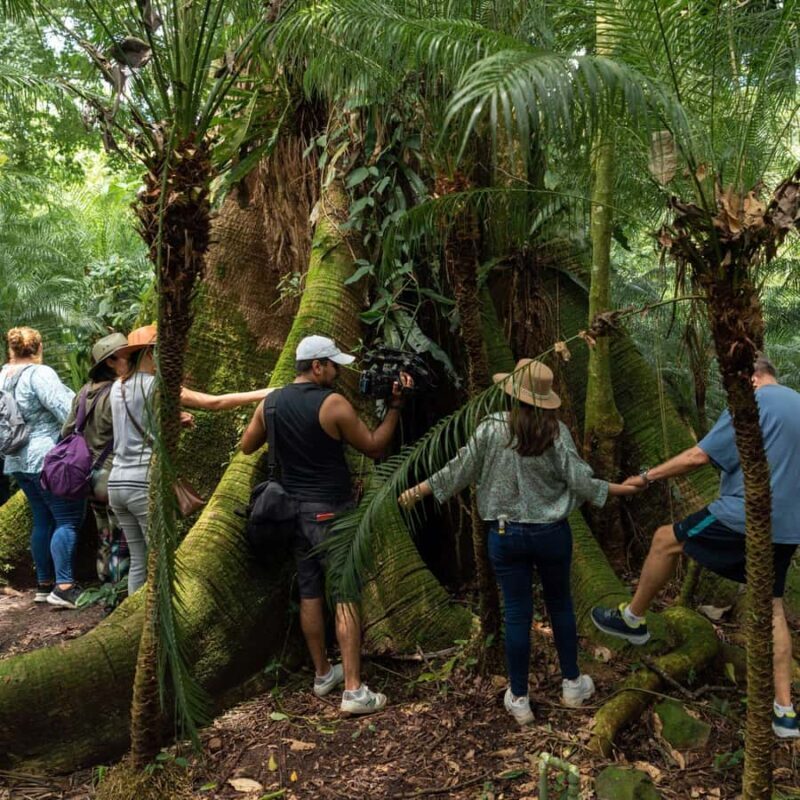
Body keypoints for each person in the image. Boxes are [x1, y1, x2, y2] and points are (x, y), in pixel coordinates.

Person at [398, 359, 638, 726]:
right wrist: (622, 487)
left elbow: (459, 469)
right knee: (560, 606)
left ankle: (520, 698)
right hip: (552, 534)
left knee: (516, 615)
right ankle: (573, 684)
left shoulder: (492, 427)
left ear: (512, 393)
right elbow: (582, 481)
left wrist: (417, 491)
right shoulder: (555, 432)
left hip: (506, 536)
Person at [591, 355, 800, 739]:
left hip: (742, 516)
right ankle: (784, 712)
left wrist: (646, 476)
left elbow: (698, 456)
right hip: (787, 529)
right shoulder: (797, 404)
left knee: (664, 539)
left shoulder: (750, 404)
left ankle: (632, 619)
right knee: (772, 608)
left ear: (750, 379)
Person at [240, 334, 412, 715]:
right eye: (334, 365)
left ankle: (323, 673)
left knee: (310, 592)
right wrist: (396, 407)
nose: (337, 373)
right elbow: (373, 446)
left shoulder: (270, 403)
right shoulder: (332, 404)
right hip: (331, 513)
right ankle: (353, 689)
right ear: (317, 366)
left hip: (292, 514)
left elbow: (247, 446)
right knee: (345, 591)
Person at [108, 325, 269, 595]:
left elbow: (139, 422)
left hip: (117, 483)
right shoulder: (158, 385)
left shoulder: (117, 387)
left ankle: (134, 622)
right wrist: (267, 392)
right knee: (160, 559)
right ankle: (153, 623)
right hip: (142, 483)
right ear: (150, 353)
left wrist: (172, 421)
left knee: (138, 559)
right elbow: (213, 403)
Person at [0, 327, 86, 608]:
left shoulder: (2, 376)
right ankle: (64, 587)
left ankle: (44, 583)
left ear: (11, 349)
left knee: (42, 518)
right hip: (47, 459)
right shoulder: (40, 374)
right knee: (67, 519)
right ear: (38, 348)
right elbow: (67, 411)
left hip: (16, 459)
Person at [61, 333, 130, 587]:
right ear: (110, 362)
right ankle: (119, 590)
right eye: (126, 356)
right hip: (113, 474)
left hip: (88, 477)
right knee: (122, 536)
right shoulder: (118, 392)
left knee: (104, 534)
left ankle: (105, 586)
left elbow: (66, 432)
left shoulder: (83, 393)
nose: (130, 361)